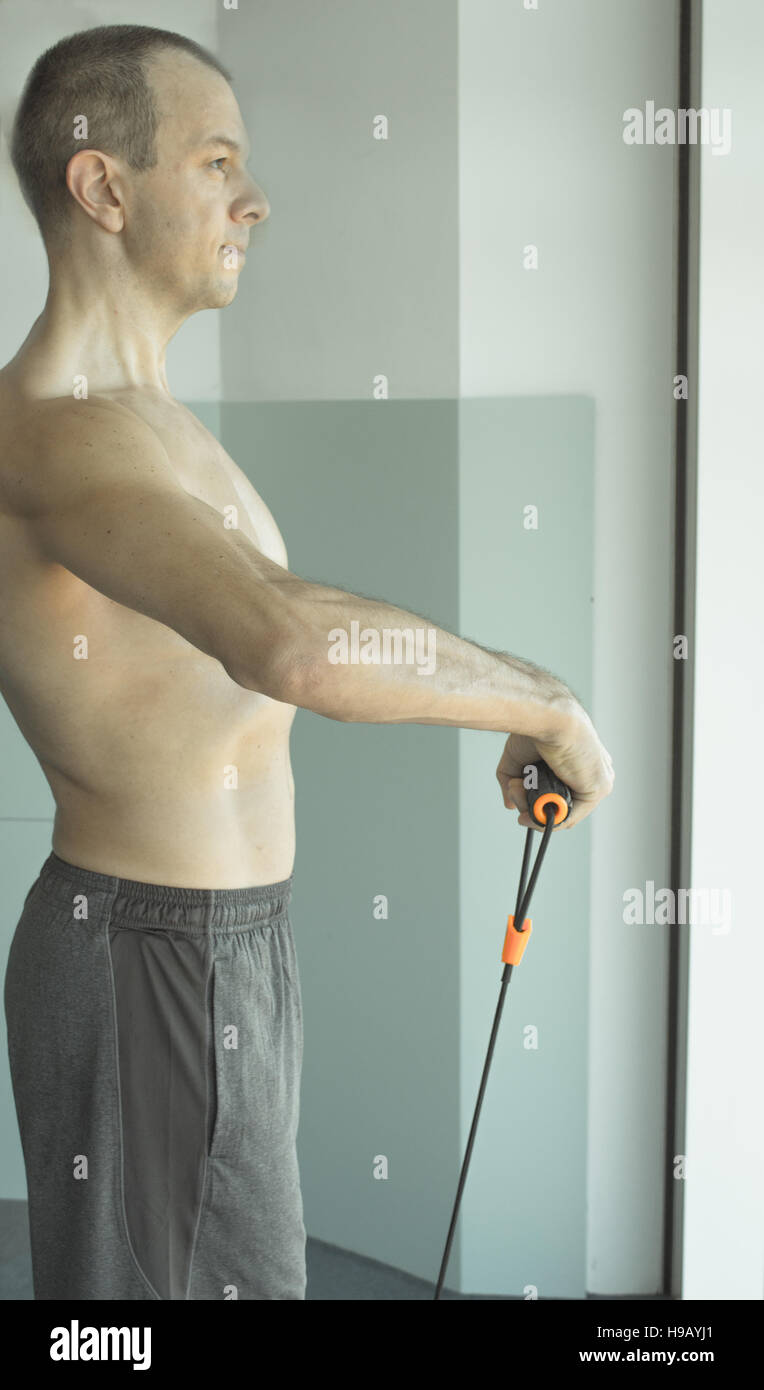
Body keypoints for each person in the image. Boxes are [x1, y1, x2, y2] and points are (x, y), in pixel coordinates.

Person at [0, 24, 614, 1301]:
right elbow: (289, 640)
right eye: (216, 161)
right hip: (148, 950)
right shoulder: (58, 439)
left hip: (223, 942)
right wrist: (536, 696)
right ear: (103, 186)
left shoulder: (151, 420)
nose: (253, 199)